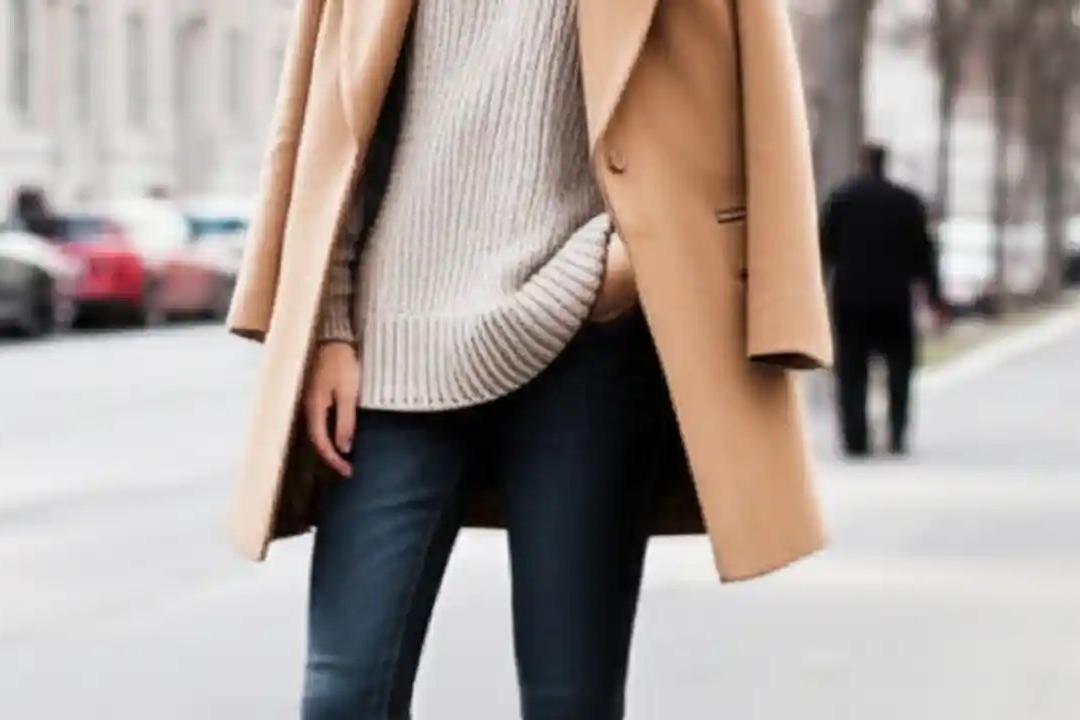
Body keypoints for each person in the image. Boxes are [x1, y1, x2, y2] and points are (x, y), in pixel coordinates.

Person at [224, 2, 833, 718]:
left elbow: (758, 85)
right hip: (395, 343)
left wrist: (631, 266)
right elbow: (326, 99)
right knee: (344, 694)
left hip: (589, 348)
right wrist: (328, 324)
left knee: (569, 698)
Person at [821, 143, 948, 458]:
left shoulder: (842, 200)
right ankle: (896, 434)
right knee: (899, 370)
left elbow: (824, 250)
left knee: (852, 372)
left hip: (851, 298)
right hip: (894, 299)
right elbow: (924, 256)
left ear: (862, 162)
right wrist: (935, 299)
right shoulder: (907, 202)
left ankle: (855, 438)